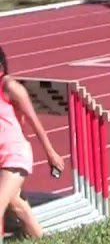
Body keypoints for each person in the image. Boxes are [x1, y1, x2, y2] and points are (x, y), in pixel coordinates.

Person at [0, 47, 66, 240]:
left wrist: (51, 153)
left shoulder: (10, 86)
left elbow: (33, 122)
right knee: (18, 206)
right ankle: (43, 240)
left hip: (14, 155)